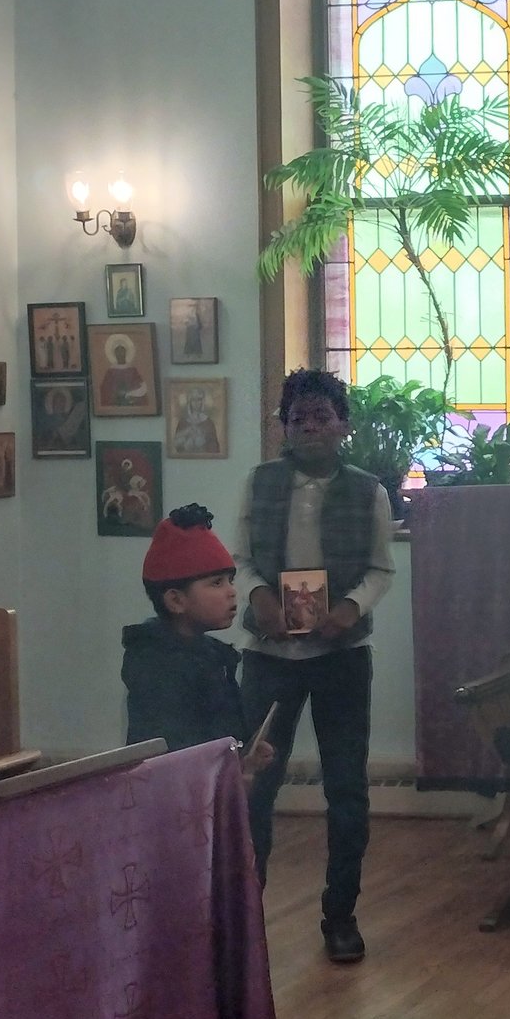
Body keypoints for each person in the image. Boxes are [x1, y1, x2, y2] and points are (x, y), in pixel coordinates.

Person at [236, 369, 395, 965]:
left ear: (343, 425)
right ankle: (245, 916)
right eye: (297, 417)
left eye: (321, 416)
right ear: (283, 427)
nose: (309, 427)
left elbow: (380, 569)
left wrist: (350, 609)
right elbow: (241, 559)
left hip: (341, 658)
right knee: (255, 785)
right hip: (269, 656)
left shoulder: (369, 491)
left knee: (347, 788)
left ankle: (341, 916)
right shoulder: (258, 483)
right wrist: (259, 597)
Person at [124, 504, 279, 776]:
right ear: (176, 600)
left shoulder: (212, 656)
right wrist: (227, 779)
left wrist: (244, 762)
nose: (232, 592)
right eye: (217, 583)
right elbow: (175, 765)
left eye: (230, 580)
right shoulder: (157, 668)